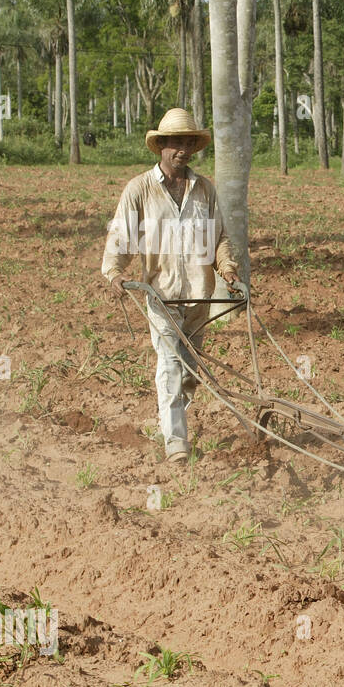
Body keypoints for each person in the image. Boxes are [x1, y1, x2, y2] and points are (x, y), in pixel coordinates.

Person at [101, 108, 240, 464]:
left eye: (188, 142)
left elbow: (219, 236)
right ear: (161, 146)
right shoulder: (140, 189)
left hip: (198, 295)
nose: (183, 149)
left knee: (191, 371)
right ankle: (176, 441)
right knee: (169, 364)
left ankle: (175, 414)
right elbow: (121, 235)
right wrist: (115, 272)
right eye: (175, 142)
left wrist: (227, 269)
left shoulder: (203, 189)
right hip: (160, 294)